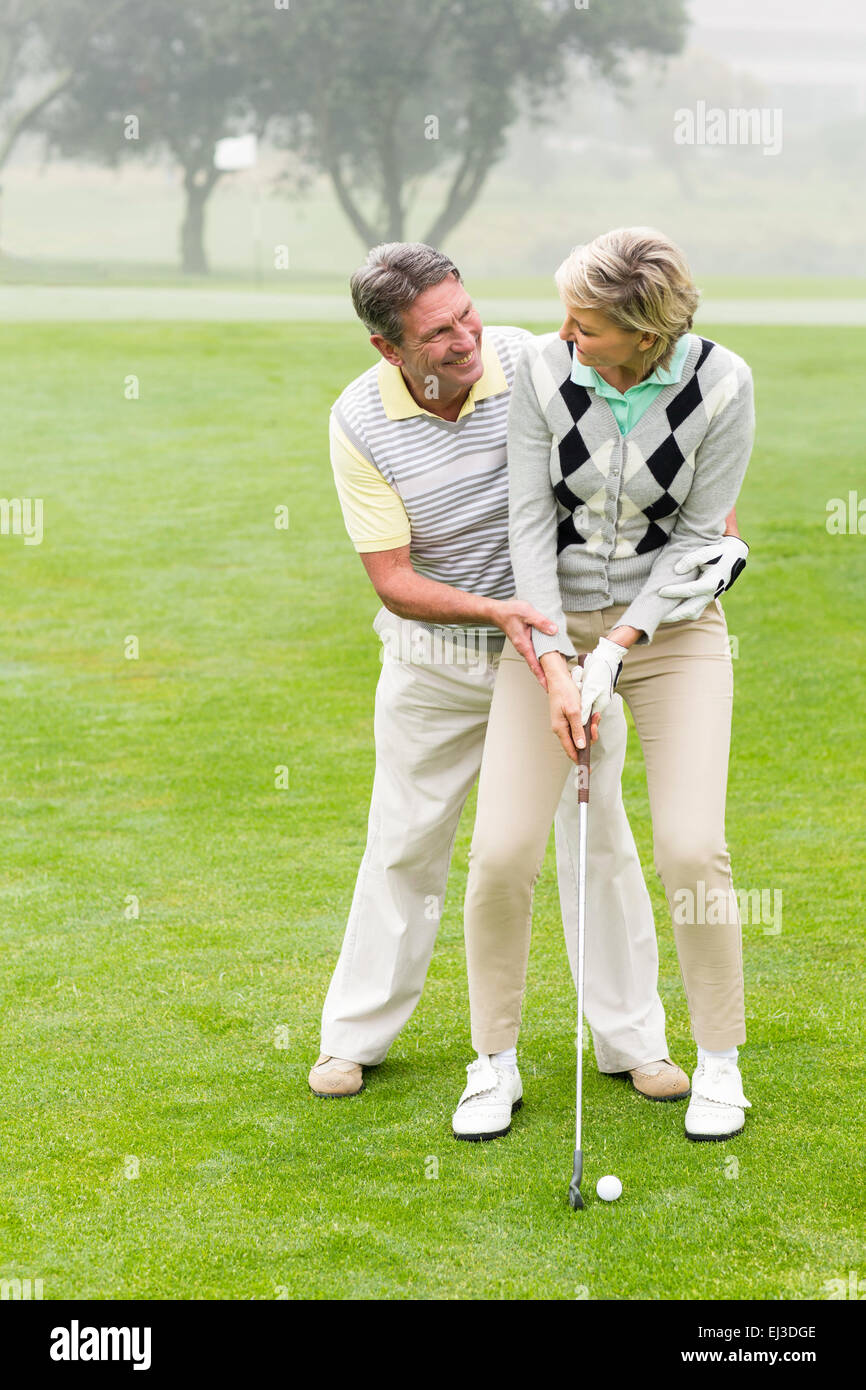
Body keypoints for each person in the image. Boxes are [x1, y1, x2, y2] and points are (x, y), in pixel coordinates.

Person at [307, 243, 743, 1130]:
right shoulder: (358, 420)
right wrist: (513, 622)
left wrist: (583, 640)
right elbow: (391, 576)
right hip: (444, 657)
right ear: (390, 350)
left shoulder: (528, 358)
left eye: (466, 314)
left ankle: (632, 1043)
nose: (469, 338)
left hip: (565, 638)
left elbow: (643, 456)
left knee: (601, 838)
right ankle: (355, 1037)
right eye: (440, 332)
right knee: (409, 841)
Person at [459, 227, 754, 1142]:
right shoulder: (546, 373)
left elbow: (705, 536)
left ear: (643, 331)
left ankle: (718, 1064)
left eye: (584, 323)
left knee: (692, 850)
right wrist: (555, 662)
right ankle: (493, 1063)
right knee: (503, 851)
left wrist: (620, 646)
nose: (563, 332)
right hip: (550, 627)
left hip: (672, 634)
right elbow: (524, 527)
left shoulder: (723, 383)